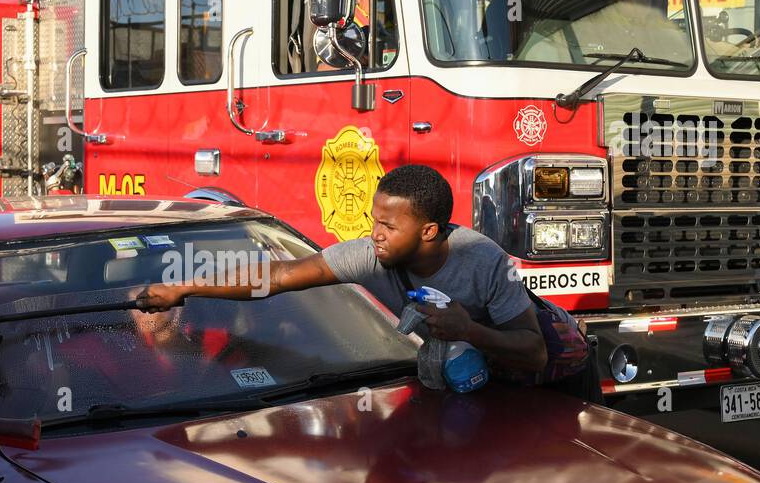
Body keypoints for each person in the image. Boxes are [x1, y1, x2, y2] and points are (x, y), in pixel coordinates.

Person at [139, 164, 598, 399]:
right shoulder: (369, 254)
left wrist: (468, 330)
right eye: (373, 220)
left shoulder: (482, 261)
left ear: (429, 232)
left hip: (558, 377)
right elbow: (279, 274)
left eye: (388, 226)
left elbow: (534, 350)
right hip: (479, 378)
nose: (374, 234)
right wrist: (184, 288)